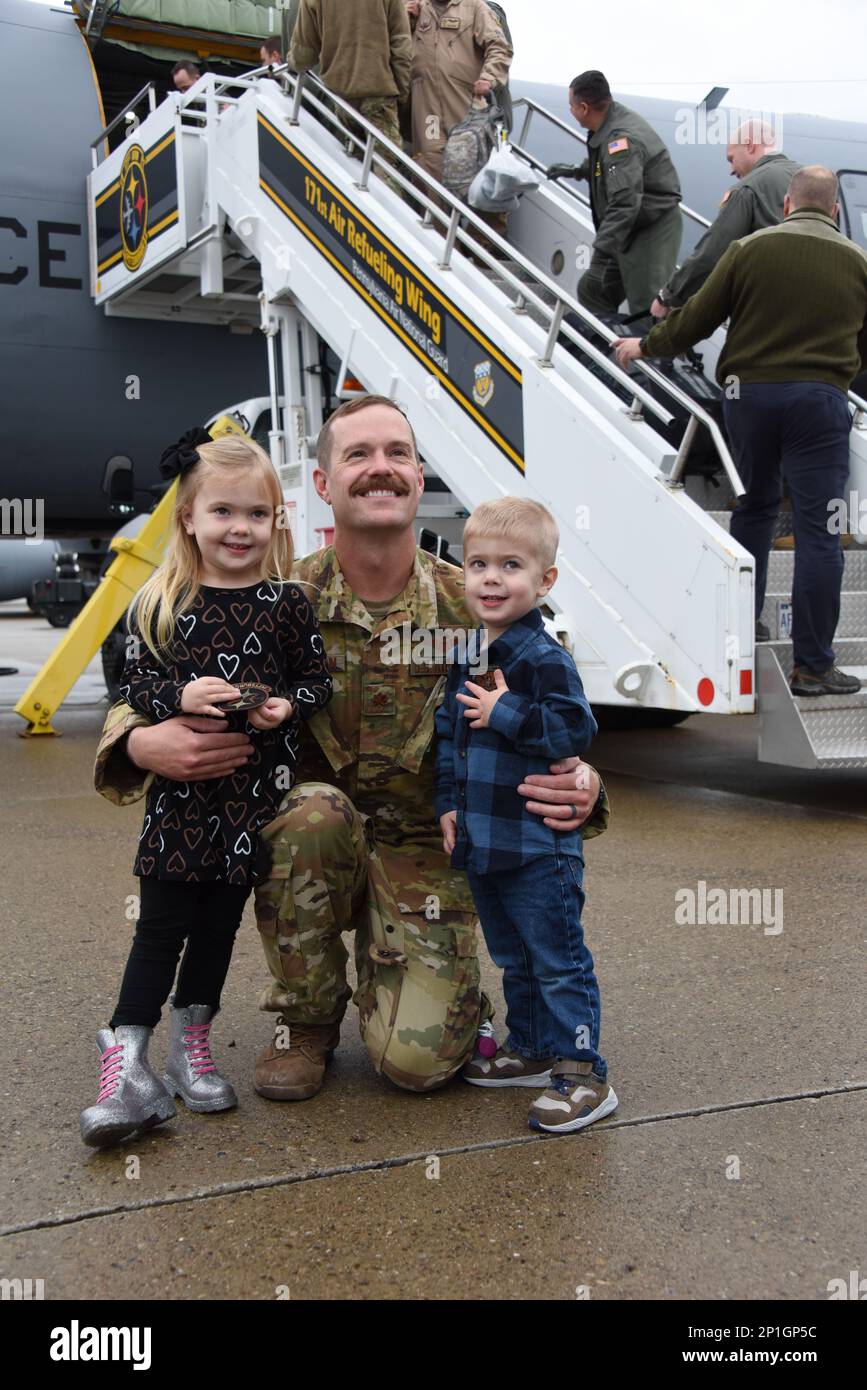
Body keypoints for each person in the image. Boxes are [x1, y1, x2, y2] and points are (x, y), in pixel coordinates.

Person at [93, 396, 610, 1103]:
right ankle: (305, 1023)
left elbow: (554, 703)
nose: (381, 469)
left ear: (418, 478)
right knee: (310, 815)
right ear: (323, 484)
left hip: (426, 845)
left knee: (417, 1068)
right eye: (358, 455)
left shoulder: (476, 608)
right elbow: (144, 681)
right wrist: (141, 740)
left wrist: (584, 779)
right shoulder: (276, 599)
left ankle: (443, 995)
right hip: (313, 834)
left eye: (397, 453)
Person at [79, 433, 332, 1148]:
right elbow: (130, 685)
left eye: (258, 513)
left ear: (276, 521)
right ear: (188, 516)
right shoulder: (162, 601)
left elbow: (315, 679)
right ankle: (125, 1057)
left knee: (217, 931)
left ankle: (191, 1047)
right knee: (159, 929)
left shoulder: (287, 602)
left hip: (248, 806)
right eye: (223, 511)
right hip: (180, 805)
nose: (240, 528)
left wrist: (287, 705)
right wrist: (178, 694)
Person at [612, 166, 867, 698]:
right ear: (836, 211)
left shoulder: (750, 247)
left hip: (746, 397)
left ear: (787, 205)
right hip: (820, 399)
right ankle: (814, 668)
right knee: (819, 531)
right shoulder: (858, 260)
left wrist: (647, 345)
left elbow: (697, 317)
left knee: (754, 507)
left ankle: (741, 628)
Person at [435, 497, 617, 1134]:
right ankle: (534, 1049)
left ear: (544, 581)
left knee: (558, 959)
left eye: (510, 565)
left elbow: (575, 729)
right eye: (478, 563)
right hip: (485, 843)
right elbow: (447, 740)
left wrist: (505, 713)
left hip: (540, 846)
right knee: (514, 958)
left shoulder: (543, 657)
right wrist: (448, 806)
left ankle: (582, 1070)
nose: (490, 577)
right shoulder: (464, 653)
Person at [547, 70, 682, 318]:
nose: (571, 111)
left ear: (584, 108)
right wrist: (576, 171)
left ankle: (654, 356)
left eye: (571, 106)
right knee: (592, 290)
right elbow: (606, 167)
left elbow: (624, 203)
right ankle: (602, 348)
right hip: (629, 226)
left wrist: (599, 257)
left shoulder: (621, 140)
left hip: (652, 228)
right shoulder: (609, 124)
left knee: (647, 306)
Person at [652, 122, 800, 317]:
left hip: (767, 308)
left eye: (731, 158)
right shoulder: (809, 181)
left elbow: (713, 250)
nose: (731, 169)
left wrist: (669, 295)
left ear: (749, 145)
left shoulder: (749, 187)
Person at [288, 0, 411, 186]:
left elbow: (304, 52)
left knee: (352, 167)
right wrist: (401, 91)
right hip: (379, 94)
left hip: (341, 96)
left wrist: (291, 62)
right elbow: (401, 44)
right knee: (387, 172)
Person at [407, 0, 512, 185]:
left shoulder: (475, 8)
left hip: (464, 102)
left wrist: (488, 78)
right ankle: (434, 213)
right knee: (429, 162)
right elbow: (395, 44)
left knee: (466, 164)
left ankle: (464, 212)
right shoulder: (417, 8)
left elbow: (500, 47)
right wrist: (405, 19)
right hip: (427, 104)